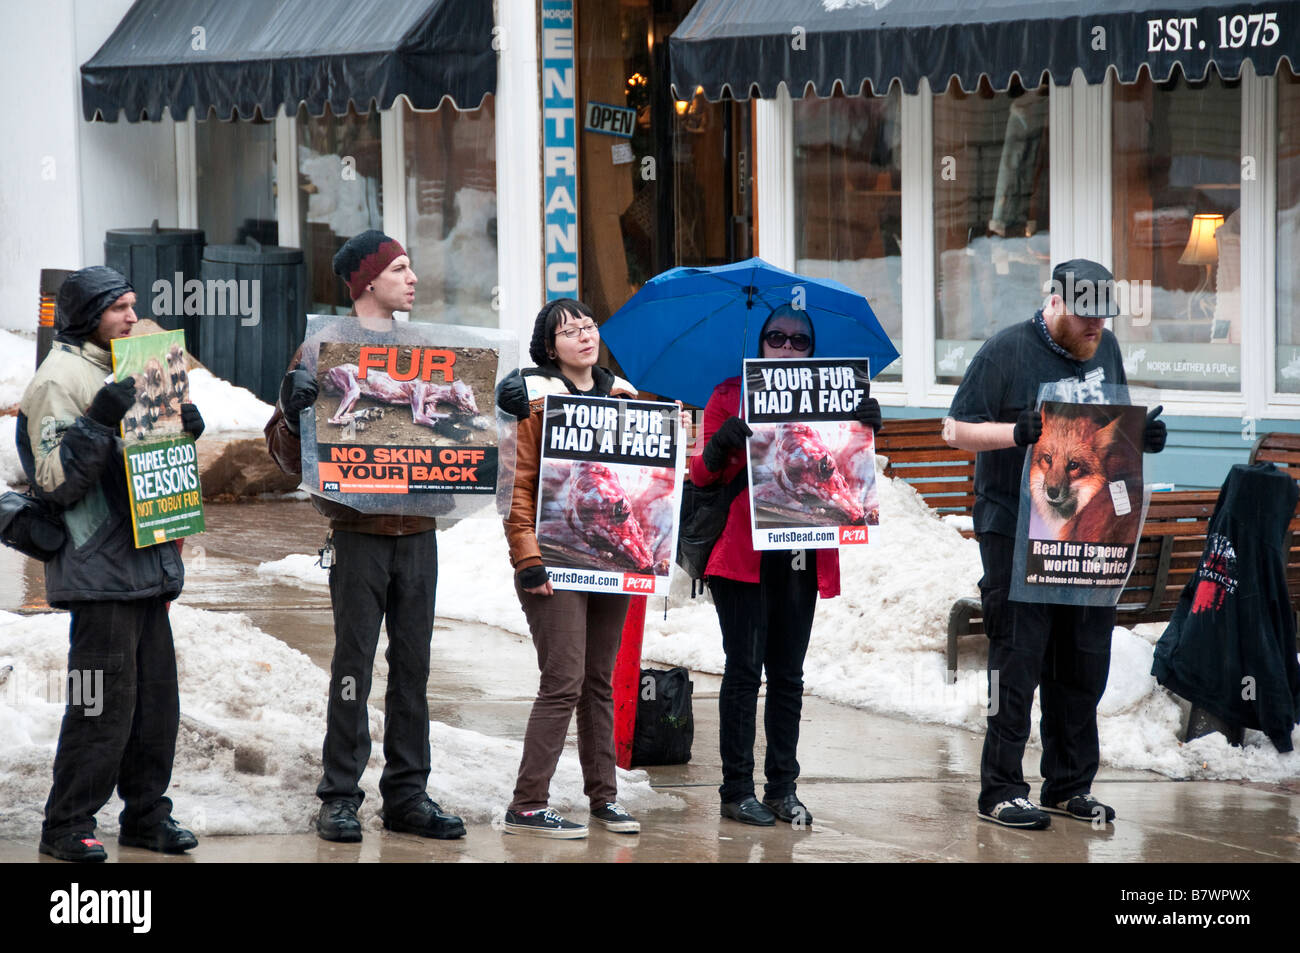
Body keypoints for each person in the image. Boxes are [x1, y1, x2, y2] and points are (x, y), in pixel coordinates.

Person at [944, 258, 1167, 829]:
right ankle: (1000, 789)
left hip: (1087, 529)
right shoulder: (1006, 351)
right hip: (1015, 527)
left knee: (1084, 660)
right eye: (1087, 316)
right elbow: (955, 430)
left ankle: (1068, 785)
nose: (1097, 327)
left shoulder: (1106, 347)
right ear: (1057, 304)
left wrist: (1143, 436)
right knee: (1018, 660)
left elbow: (1105, 429)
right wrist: (1015, 434)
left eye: (1104, 317)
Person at [265, 230, 465, 843]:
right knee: (352, 664)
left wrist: (501, 409)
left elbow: (465, 431)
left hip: (420, 531)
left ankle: (408, 792)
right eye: (399, 268)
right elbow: (283, 455)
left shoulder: (430, 347)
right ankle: (340, 794)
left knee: (414, 667)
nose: (411, 277)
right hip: (358, 533)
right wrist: (292, 408)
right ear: (367, 282)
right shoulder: (323, 348)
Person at [18, 266, 204, 862]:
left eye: (133, 304)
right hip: (98, 571)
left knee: (155, 709)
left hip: (146, 564)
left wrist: (182, 434)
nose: (131, 316)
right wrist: (98, 420)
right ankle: (67, 823)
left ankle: (147, 815)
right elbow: (55, 483)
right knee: (98, 705)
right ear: (86, 315)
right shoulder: (58, 379)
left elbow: (145, 459)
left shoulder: (136, 363)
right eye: (119, 307)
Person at [690, 305, 882, 827]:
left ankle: (782, 787)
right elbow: (700, 478)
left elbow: (848, 473)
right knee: (745, 670)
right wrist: (720, 445)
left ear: (812, 351)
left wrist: (864, 430)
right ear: (762, 342)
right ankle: (736, 790)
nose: (789, 347)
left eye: (801, 341)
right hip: (740, 555)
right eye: (778, 336)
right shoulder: (730, 394)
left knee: (789, 675)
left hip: (801, 551)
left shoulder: (837, 399)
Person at [495, 298, 643, 838]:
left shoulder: (624, 395)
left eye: (589, 326)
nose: (584, 335)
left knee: (599, 682)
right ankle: (528, 803)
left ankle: (604, 797)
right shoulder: (531, 397)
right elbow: (517, 481)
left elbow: (646, 477)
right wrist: (526, 556)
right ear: (549, 345)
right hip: (553, 560)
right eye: (569, 330)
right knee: (563, 680)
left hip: (613, 557)